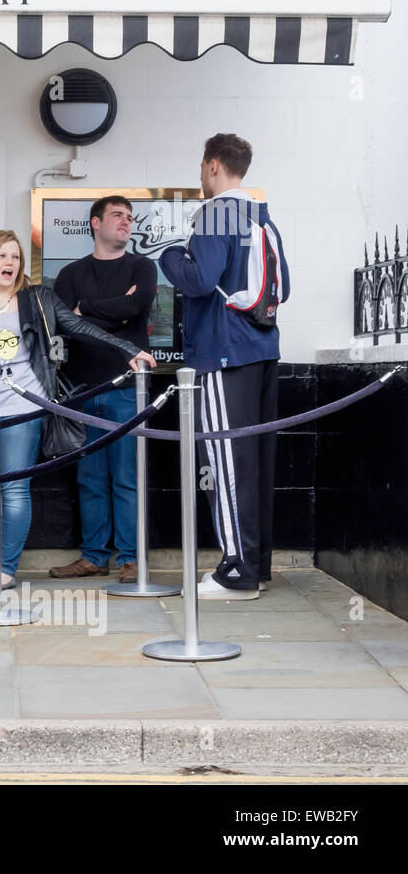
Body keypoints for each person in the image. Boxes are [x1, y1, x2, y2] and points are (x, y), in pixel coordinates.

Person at [0, 231, 156, 589]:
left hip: (23, 406)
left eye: (15, 257)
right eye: (1, 256)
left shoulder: (37, 299)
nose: (9, 263)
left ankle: (6, 569)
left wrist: (126, 349)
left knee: (14, 489)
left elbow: (79, 326)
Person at [160, 133, 290, 600]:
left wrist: (169, 254)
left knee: (225, 462)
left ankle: (238, 573)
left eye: (201, 165)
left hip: (221, 351)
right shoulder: (261, 216)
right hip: (261, 349)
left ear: (213, 165)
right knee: (254, 462)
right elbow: (284, 287)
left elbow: (198, 280)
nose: (200, 174)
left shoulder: (216, 213)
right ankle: (257, 562)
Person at [49, 196, 157, 584]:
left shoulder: (143, 266)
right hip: (81, 387)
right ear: (95, 223)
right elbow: (64, 322)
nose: (126, 222)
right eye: (117, 215)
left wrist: (87, 310)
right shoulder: (71, 273)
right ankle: (94, 556)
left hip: (128, 389)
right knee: (90, 478)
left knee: (126, 476)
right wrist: (115, 308)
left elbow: (139, 306)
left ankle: (130, 558)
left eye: (129, 217)